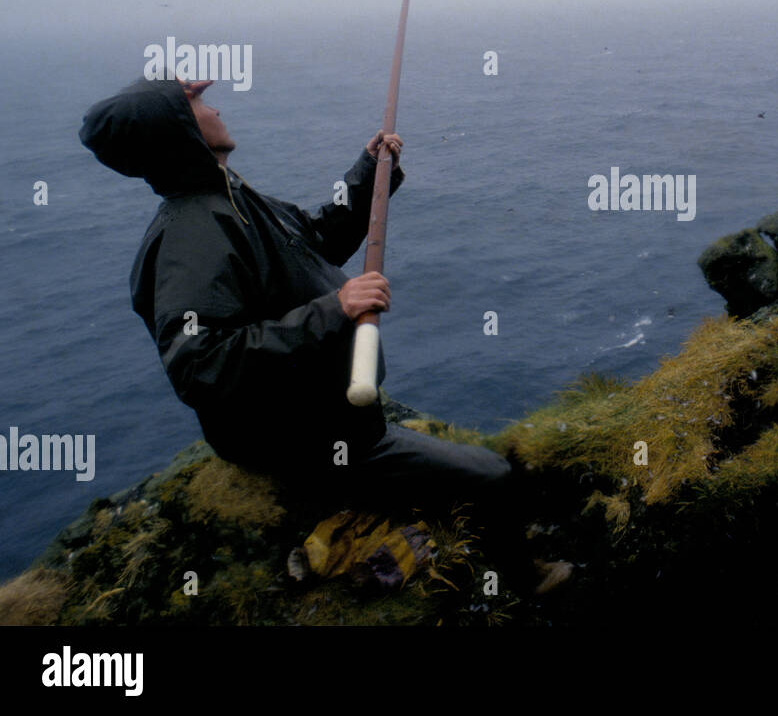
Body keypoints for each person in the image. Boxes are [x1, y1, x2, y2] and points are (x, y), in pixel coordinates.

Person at [78, 76, 514, 497]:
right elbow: (200, 365)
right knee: (496, 476)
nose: (215, 107)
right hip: (309, 444)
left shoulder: (226, 198)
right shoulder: (191, 237)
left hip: (330, 420)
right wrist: (336, 308)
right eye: (197, 104)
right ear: (181, 129)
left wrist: (369, 174)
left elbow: (313, 239)